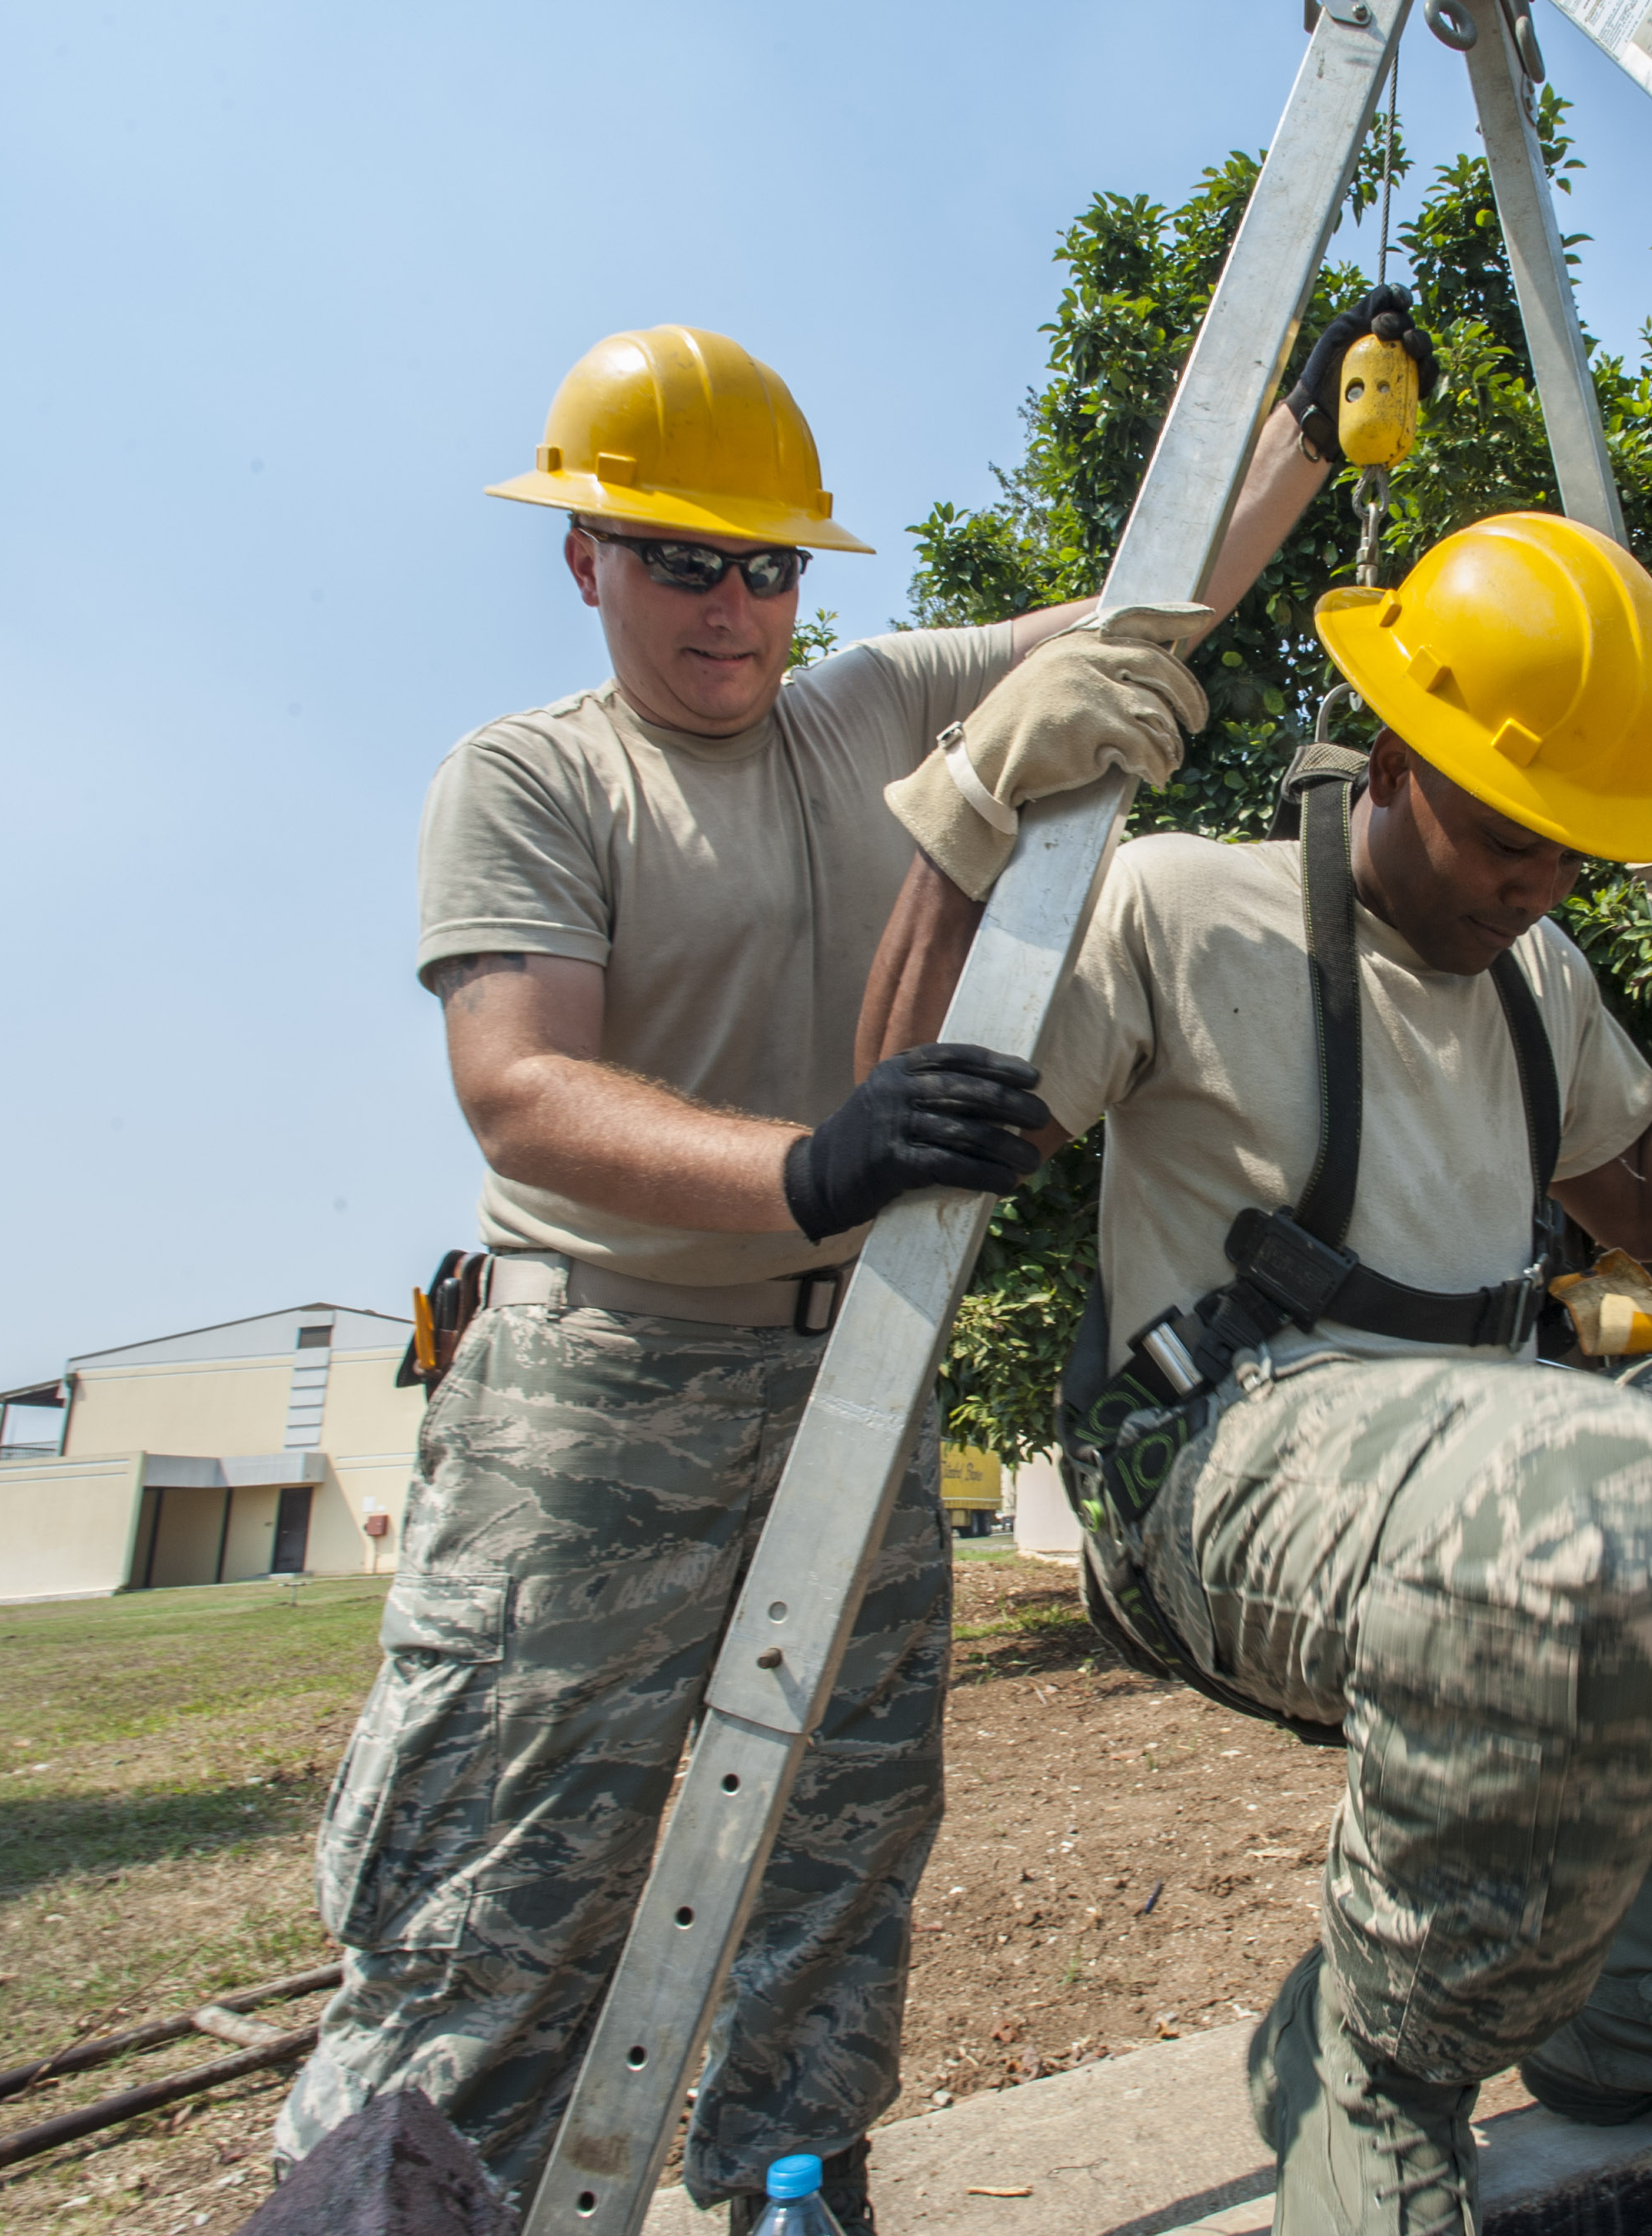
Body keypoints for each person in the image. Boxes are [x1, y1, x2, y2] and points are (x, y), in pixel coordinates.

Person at [279, 300, 1435, 2221]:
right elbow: (524, 1088)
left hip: (851, 1374)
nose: (729, 609)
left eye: (763, 566)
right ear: (585, 558)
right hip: (601, 1392)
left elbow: (1140, 617)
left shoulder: (876, 702)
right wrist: (814, 1163)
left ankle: (795, 2189)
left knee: (837, 1835)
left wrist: (1300, 441)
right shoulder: (534, 779)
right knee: (506, 1877)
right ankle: (402, 2199)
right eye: (678, 562)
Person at [863, 512, 1652, 2235]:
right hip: (1225, 1466)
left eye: (1572, 857)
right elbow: (905, 1129)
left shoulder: (1536, 968)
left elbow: (1648, 1210)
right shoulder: (1179, 906)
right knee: (1606, 1494)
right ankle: (1377, 2069)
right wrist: (968, 825)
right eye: (1504, 833)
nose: (1530, 882)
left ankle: (1638, 1982)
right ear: (1388, 758)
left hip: (1532, 1456)